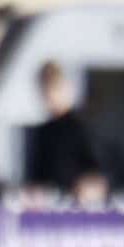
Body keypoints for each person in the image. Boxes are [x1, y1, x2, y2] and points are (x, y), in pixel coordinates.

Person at [24, 61, 108, 201]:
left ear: (65, 88)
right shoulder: (42, 133)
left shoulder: (81, 129)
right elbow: (34, 178)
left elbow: (100, 176)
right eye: (45, 90)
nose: (49, 96)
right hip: (49, 205)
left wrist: (88, 187)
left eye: (53, 89)